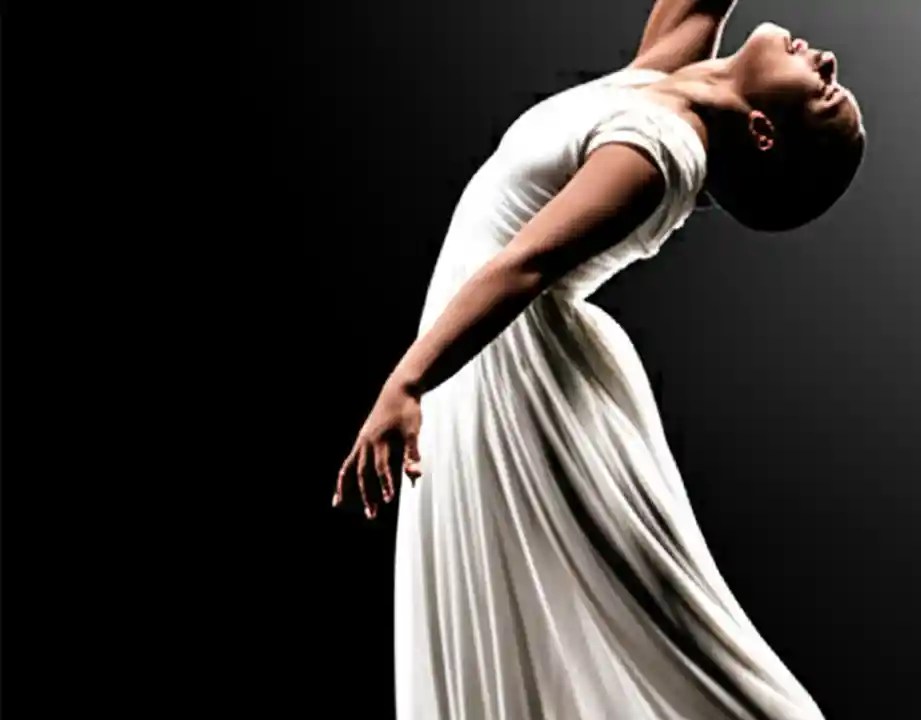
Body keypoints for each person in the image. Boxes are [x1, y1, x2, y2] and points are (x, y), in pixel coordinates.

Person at [333, 1, 865, 717]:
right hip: (480, 347)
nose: (828, 63)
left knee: (657, 613)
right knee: (533, 605)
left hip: (512, 372)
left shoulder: (660, 152)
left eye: (824, 92)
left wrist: (406, 383)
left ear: (763, 129)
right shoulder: (671, 78)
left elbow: (521, 266)